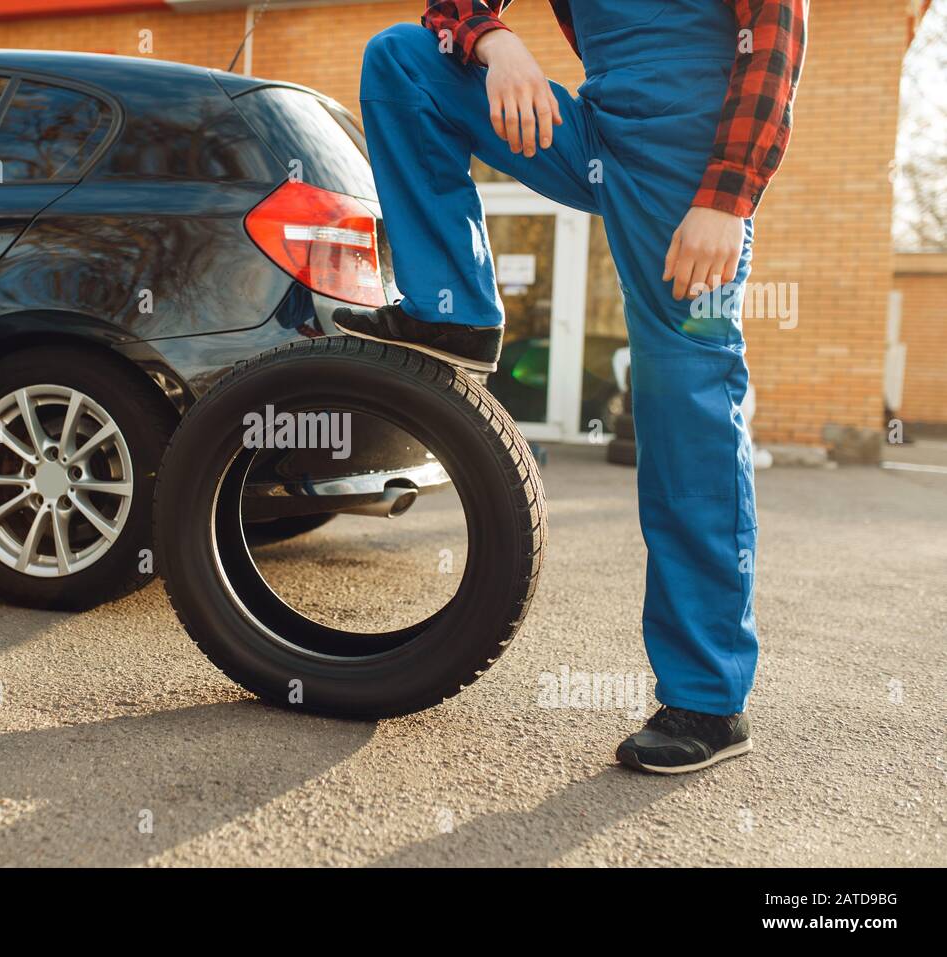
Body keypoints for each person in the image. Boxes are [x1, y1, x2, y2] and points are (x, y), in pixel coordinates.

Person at [332, 0, 806, 773]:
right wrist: (495, 40)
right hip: (594, 130)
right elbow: (453, 6)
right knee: (403, 60)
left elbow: (777, 41)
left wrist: (728, 197)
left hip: (691, 162)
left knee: (685, 417)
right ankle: (451, 308)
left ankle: (708, 699)